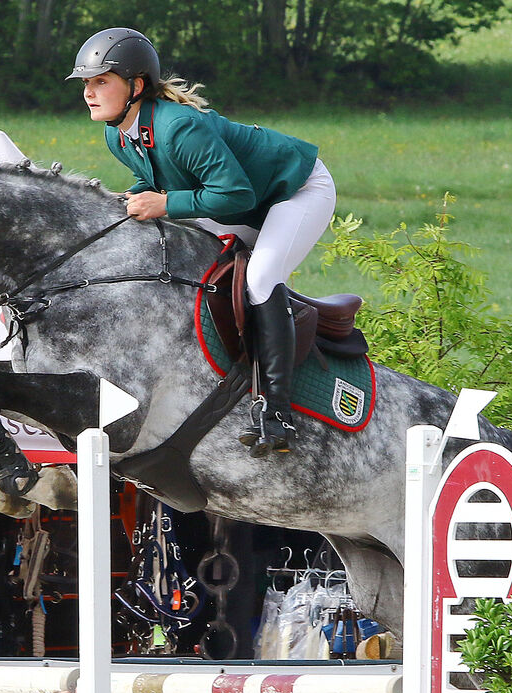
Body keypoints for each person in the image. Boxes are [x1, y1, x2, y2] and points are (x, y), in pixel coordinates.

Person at [66, 27, 337, 457]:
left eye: (101, 81)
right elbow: (155, 180)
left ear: (136, 86)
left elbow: (236, 195)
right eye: (86, 83)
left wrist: (165, 202)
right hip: (240, 201)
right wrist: (131, 197)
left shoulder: (180, 128)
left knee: (262, 277)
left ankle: (278, 410)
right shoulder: (117, 134)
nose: (89, 93)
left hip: (294, 191)